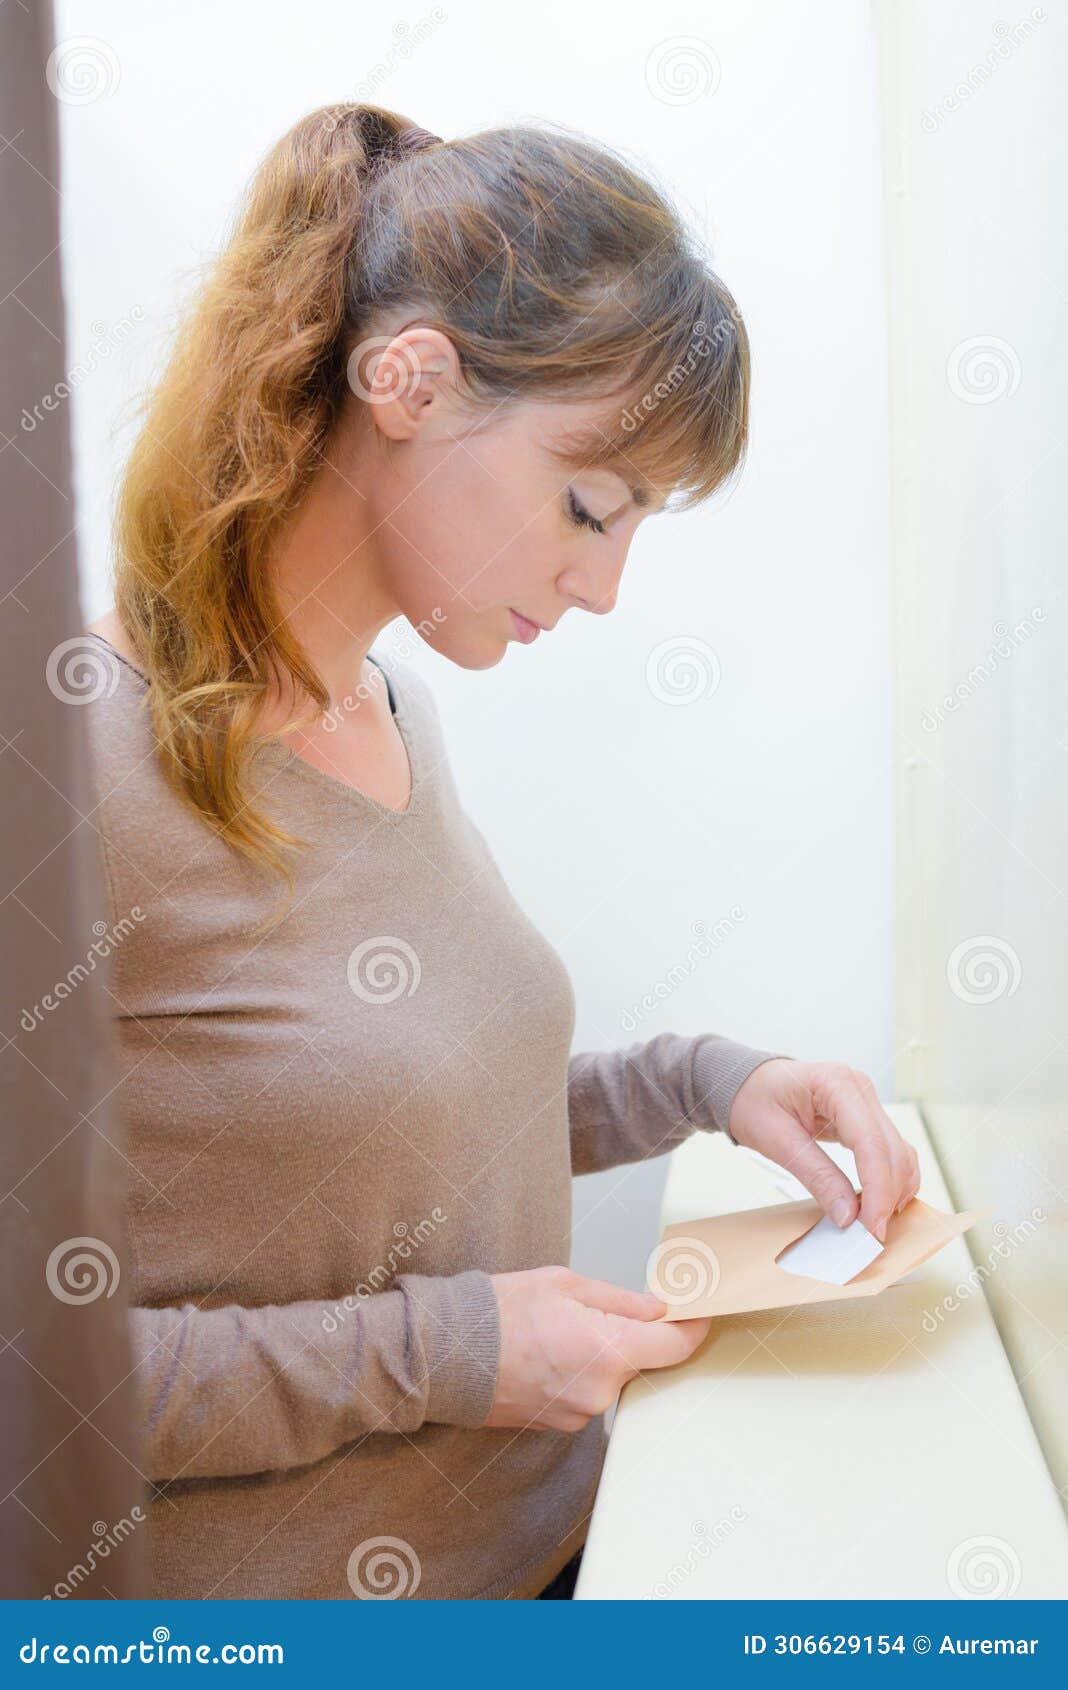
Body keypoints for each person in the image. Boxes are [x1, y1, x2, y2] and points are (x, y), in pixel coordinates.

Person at [82, 103, 919, 1601]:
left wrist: (707, 1082)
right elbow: (45, 1383)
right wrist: (447, 1353)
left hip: (558, 1555)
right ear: (409, 382)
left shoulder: (389, 709)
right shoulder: (79, 766)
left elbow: (415, 1128)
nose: (601, 586)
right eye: (589, 506)